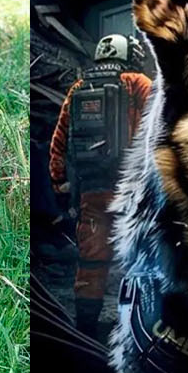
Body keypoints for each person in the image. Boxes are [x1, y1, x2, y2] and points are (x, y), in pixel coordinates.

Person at [47, 33, 152, 336]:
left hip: (91, 190)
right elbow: (159, 129)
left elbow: (59, 142)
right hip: (132, 191)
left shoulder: (78, 89)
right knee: (140, 259)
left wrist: (59, 184)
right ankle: (137, 328)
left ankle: (86, 327)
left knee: (91, 260)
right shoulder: (138, 84)